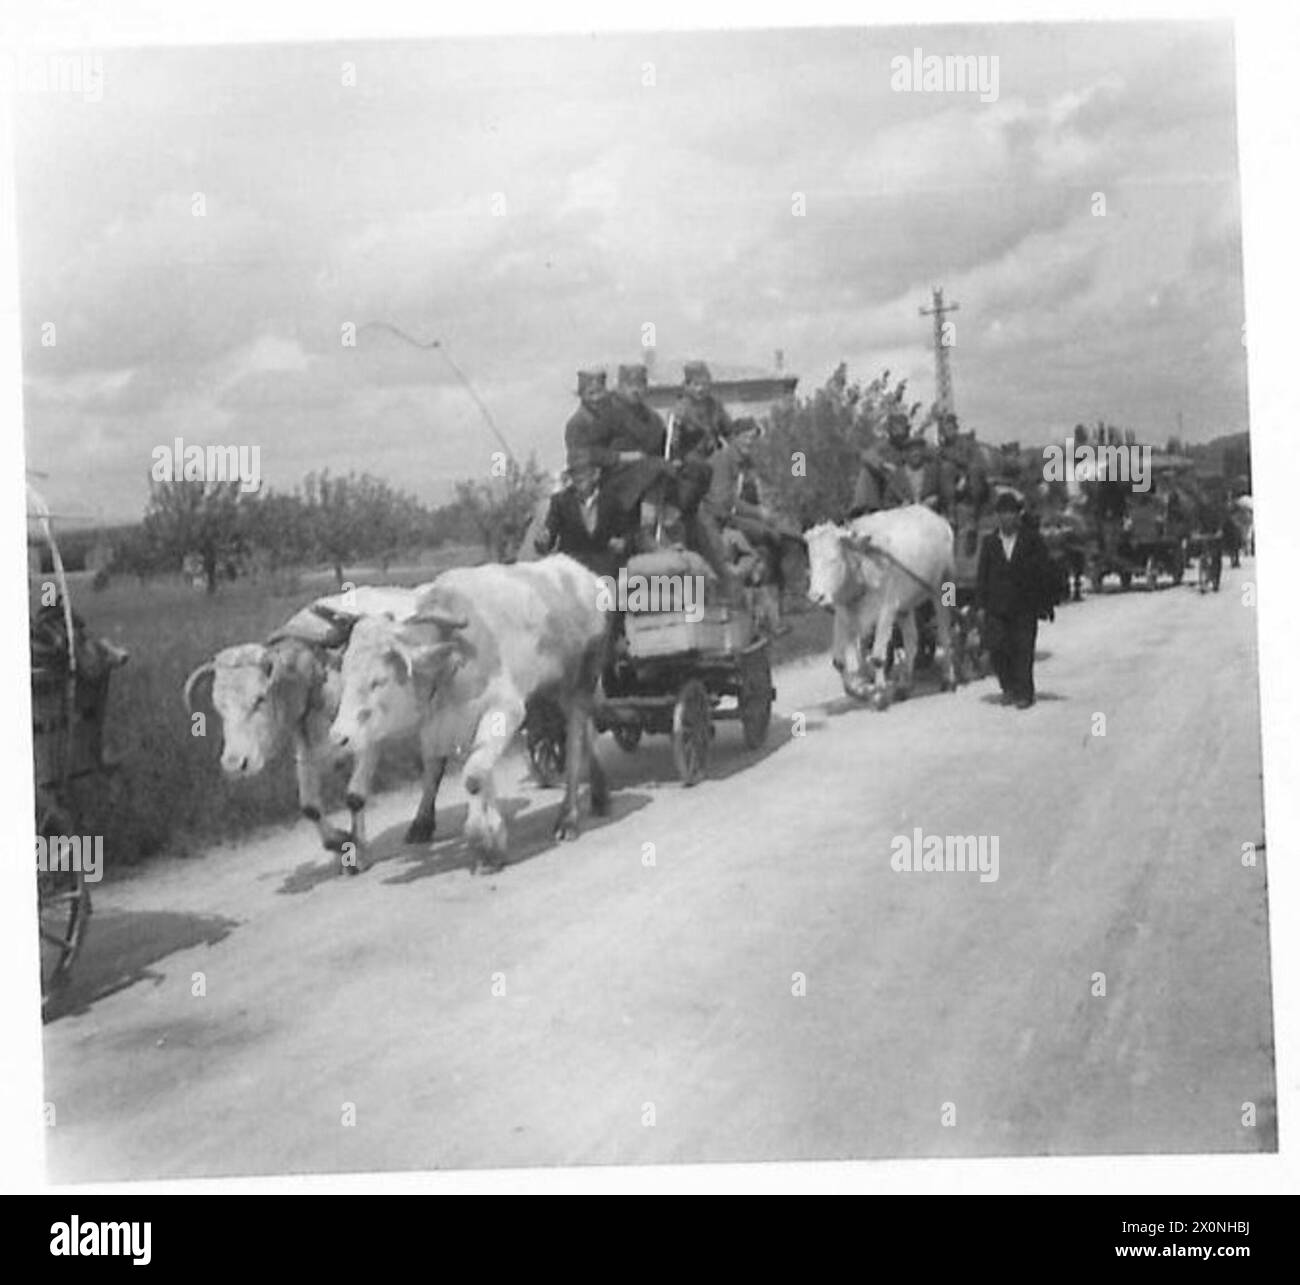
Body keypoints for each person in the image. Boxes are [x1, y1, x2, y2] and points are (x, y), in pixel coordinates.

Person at [975, 490, 1057, 709]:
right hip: (997, 606)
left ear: (1018, 515)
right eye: (1002, 513)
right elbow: (981, 575)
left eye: (1011, 513)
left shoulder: (1031, 540)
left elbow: (1044, 571)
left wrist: (1045, 602)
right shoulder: (989, 542)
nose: (1007, 517)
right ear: (997, 517)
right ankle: (1008, 686)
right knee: (998, 648)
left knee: (1023, 650)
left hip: (1024, 604)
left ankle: (1024, 693)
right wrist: (980, 605)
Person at [533, 448, 627, 578]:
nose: (578, 477)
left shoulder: (612, 501)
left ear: (595, 474)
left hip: (602, 572)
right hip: (570, 572)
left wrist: (622, 543)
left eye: (583, 472)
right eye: (574, 473)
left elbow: (626, 533)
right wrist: (542, 541)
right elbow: (548, 538)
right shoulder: (560, 501)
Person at [609, 363, 673, 548]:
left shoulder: (652, 419)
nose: (636, 390)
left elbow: (663, 451)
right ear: (620, 386)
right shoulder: (606, 413)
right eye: (630, 385)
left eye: (640, 385)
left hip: (646, 481)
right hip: (614, 477)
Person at [850, 410, 911, 516]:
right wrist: (883, 464)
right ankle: (865, 508)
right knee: (866, 472)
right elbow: (867, 456)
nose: (898, 432)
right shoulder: (884, 447)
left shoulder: (913, 446)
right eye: (895, 429)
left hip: (908, 490)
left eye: (901, 428)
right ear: (890, 431)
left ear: (906, 429)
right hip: (887, 491)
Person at [885, 435, 940, 509]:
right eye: (912, 450)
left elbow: (945, 496)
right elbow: (886, 502)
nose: (916, 453)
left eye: (919, 450)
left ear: (924, 452)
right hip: (904, 517)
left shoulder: (933, 471)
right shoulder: (896, 476)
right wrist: (900, 507)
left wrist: (935, 499)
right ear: (905, 455)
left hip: (929, 514)